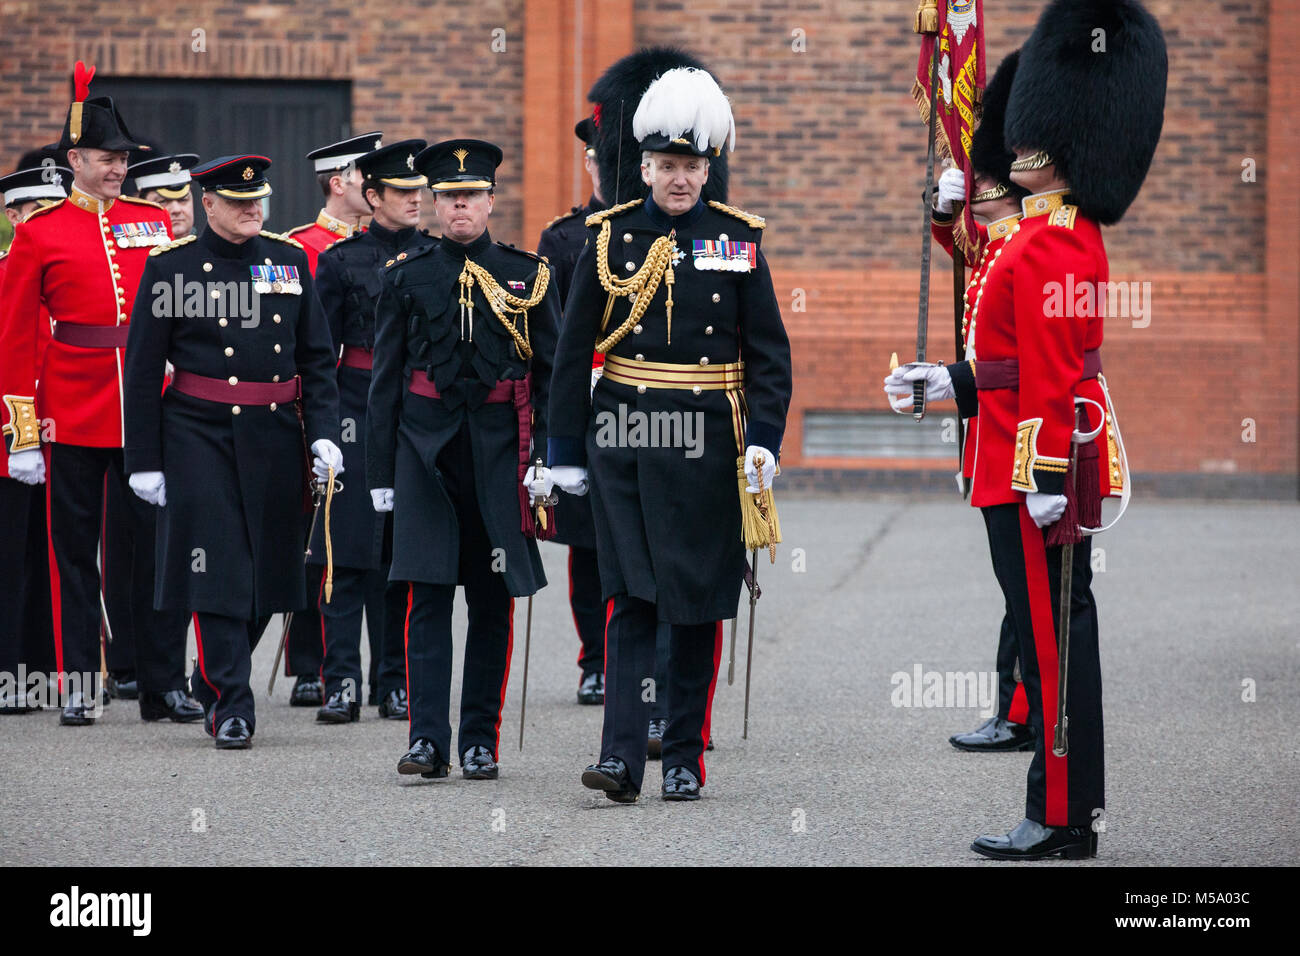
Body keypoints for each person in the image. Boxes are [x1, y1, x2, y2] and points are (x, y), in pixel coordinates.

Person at [885, 0, 1162, 859]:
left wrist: (1043, 477)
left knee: (1053, 647)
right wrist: (951, 380)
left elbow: (1052, 373)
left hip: (1033, 471)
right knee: (1049, 640)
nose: (1018, 151)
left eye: (1033, 140)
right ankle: (1066, 806)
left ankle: (1062, 815)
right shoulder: (1045, 237)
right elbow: (1010, 361)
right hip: (1020, 458)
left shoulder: (1053, 246)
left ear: (1062, 143)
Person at [545, 64, 792, 803]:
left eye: (691, 166)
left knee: (694, 598)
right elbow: (571, 351)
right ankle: (621, 756)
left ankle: (682, 752)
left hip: (710, 441)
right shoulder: (608, 237)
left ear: (707, 168)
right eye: (666, 165)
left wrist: (763, 441)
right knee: (630, 597)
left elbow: (770, 356)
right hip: (623, 437)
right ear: (644, 167)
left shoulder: (738, 241)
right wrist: (562, 455)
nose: (679, 178)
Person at [0, 64, 199, 725]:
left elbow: (174, 317)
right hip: (70, 408)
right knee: (73, 554)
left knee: (156, 550)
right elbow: (18, 336)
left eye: (122, 159)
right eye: (107, 158)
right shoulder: (40, 231)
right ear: (75, 159)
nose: (119, 169)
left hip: (146, 408)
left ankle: (161, 680)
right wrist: (23, 429)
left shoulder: (151, 222)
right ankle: (79, 682)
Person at [123, 154, 342, 749]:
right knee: (216, 566)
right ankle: (232, 704)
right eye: (239, 202)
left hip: (275, 432)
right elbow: (141, 369)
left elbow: (317, 357)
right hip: (199, 432)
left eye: (258, 201)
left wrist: (325, 430)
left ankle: (215, 674)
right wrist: (142, 457)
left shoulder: (288, 259)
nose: (252, 210)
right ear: (207, 204)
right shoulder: (172, 268)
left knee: (271, 571)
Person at [368, 138, 558, 781]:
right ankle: (427, 740)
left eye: (471, 196)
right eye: (448, 197)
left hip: (503, 456)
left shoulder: (527, 275)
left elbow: (551, 371)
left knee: (491, 599)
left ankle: (480, 739)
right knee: (425, 599)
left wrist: (551, 458)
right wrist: (379, 476)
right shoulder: (406, 273)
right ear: (433, 203)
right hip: (426, 458)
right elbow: (385, 381)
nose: (459, 208)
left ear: (490, 200)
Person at [930, 51, 1034, 754]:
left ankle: (1022, 711)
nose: (983, 193)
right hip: (989, 434)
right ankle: (1015, 708)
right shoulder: (1002, 245)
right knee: (1015, 591)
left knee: (1027, 594)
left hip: (1024, 438)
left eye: (991, 185)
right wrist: (946, 210)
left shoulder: (1029, 245)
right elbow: (972, 250)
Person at [309, 139, 430, 723]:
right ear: (373, 196)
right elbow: (319, 354)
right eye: (402, 192)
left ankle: (396, 678)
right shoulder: (340, 261)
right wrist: (323, 427)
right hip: (355, 410)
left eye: (419, 191)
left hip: (416, 414)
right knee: (347, 550)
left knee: (401, 554)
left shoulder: (436, 256)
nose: (415, 201)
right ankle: (341, 680)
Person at [275, 131, 381, 706]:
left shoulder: (380, 244)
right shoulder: (300, 247)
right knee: (313, 537)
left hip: (363, 401)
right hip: (315, 405)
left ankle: (367, 667)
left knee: (355, 533)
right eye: (367, 177)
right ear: (339, 182)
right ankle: (310, 661)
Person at [100, 150, 204, 717]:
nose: (175, 209)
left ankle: (165, 673)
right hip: (128, 411)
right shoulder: (137, 248)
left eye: (183, 199)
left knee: (176, 547)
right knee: (128, 545)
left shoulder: (204, 258)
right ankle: (130, 664)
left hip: (191, 416)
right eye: (163, 200)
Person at [535, 117, 608, 705]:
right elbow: (547, 339)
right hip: (580, 400)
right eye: (596, 158)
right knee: (585, 541)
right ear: (588, 163)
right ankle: (596, 660)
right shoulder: (563, 238)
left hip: (640, 396)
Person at [0, 153, 67, 713]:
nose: (48, 216)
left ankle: (48, 674)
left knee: (54, 558)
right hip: (13, 440)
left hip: (61, 432)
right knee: (11, 561)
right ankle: (9, 676)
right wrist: (21, 437)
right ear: (14, 216)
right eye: (36, 207)